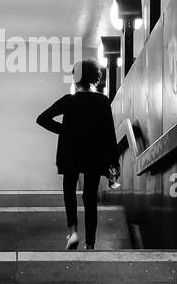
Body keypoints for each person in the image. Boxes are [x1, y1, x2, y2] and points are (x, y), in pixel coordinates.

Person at [35, 58, 119, 251]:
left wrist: (65, 130)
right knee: (90, 197)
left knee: (69, 190)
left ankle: (73, 232)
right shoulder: (103, 101)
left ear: (76, 79)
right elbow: (110, 133)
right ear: (95, 78)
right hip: (95, 155)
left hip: (71, 152)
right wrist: (114, 161)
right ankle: (90, 243)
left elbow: (42, 119)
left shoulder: (69, 101)